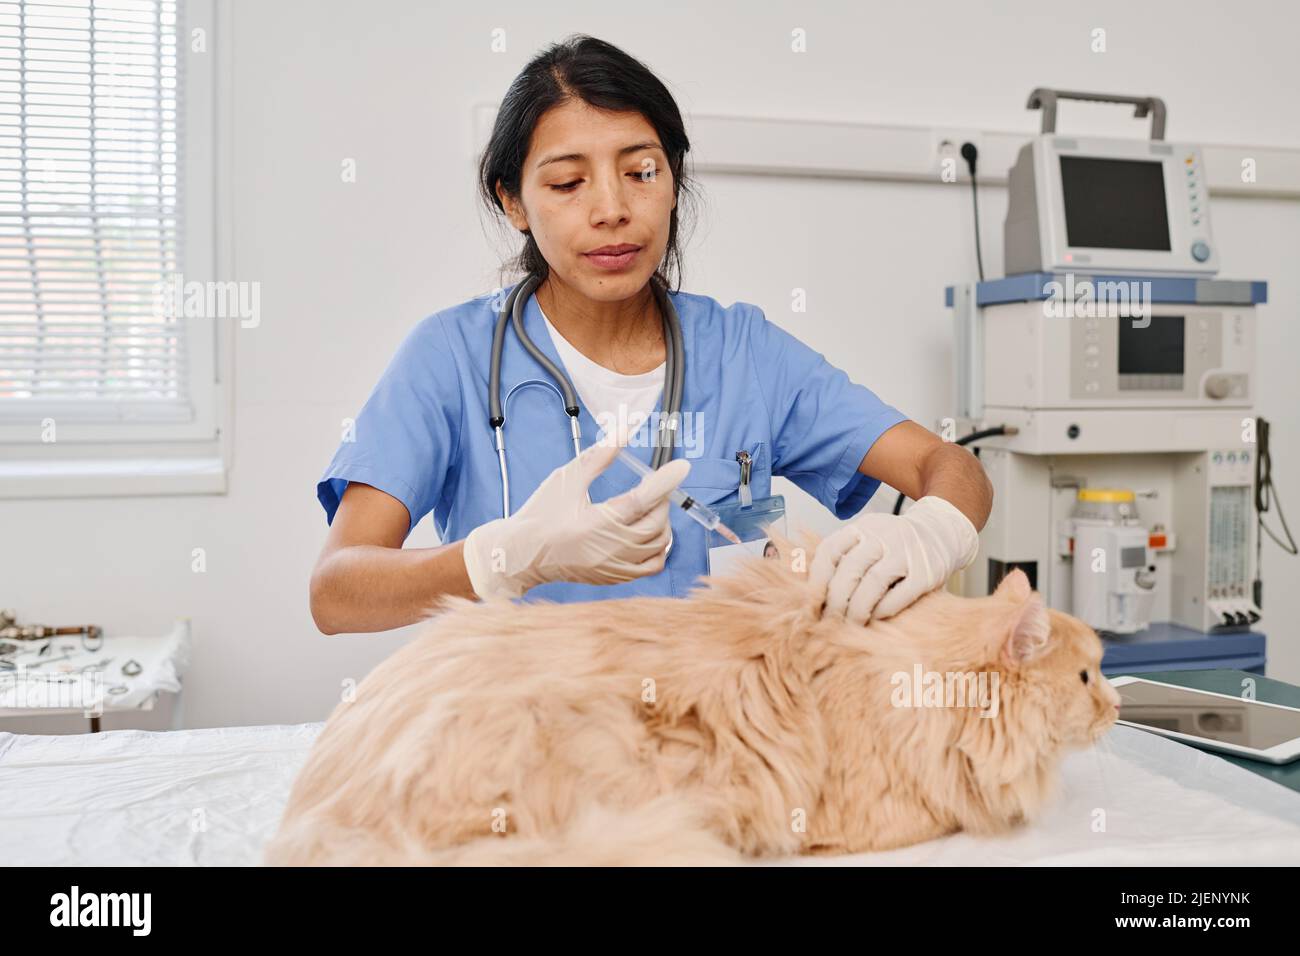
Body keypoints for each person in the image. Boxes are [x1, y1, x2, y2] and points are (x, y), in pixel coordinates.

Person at [308, 35, 992, 635]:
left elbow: (950, 468)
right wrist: (507, 555)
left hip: (711, 735)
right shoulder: (450, 358)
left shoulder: (743, 352)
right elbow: (336, 594)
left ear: (673, 183)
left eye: (641, 172)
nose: (612, 210)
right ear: (512, 201)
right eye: (569, 183)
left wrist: (932, 533)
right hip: (524, 740)